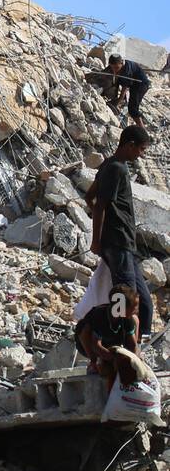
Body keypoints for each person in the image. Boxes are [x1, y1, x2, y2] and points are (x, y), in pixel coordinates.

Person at [86, 125, 155, 337]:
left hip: (123, 242)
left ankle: (139, 338)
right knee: (124, 299)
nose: (141, 154)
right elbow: (99, 205)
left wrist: (107, 225)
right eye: (141, 149)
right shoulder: (117, 168)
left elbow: (90, 197)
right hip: (118, 242)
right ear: (130, 145)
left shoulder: (109, 164)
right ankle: (117, 338)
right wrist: (97, 241)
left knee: (142, 302)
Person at [76, 286, 141, 394]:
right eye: (134, 307)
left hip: (111, 340)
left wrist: (134, 360)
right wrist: (113, 359)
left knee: (135, 320)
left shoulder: (127, 318)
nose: (137, 310)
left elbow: (132, 345)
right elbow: (96, 345)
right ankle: (93, 362)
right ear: (121, 308)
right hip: (89, 344)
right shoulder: (99, 316)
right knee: (84, 328)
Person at [107, 55, 151, 129]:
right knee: (116, 81)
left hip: (141, 85)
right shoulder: (117, 66)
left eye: (117, 68)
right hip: (133, 83)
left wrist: (118, 102)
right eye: (112, 67)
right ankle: (118, 101)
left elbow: (125, 88)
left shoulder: (127, 70)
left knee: (132, 109)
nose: (115, 70)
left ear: (121, 63)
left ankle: (142, 130)